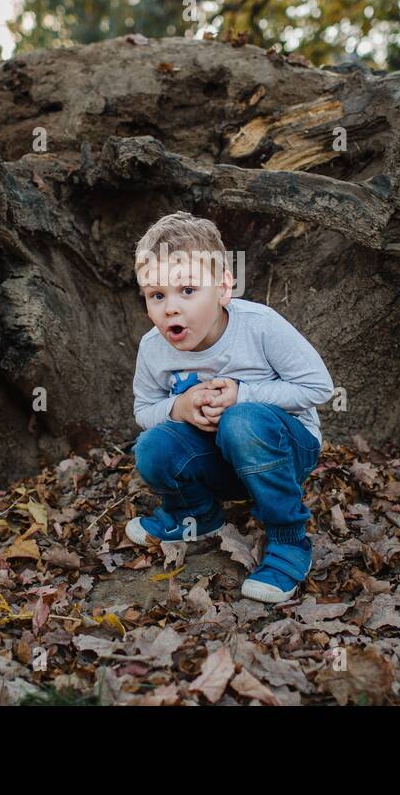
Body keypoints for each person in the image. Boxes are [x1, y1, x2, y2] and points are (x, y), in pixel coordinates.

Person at [128, 211, 334, 603]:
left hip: (287, 452)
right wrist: (181, 407)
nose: (171, 308)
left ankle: (290, 542)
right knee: (153, 446)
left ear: (223, 288)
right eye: (157, 295)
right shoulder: (153, 348)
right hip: (220, 464)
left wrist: (244, 394)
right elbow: (144, 410)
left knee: (242, 421)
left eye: (187, 290)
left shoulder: (258, 325)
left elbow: (318, 387)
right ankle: (196, 516)